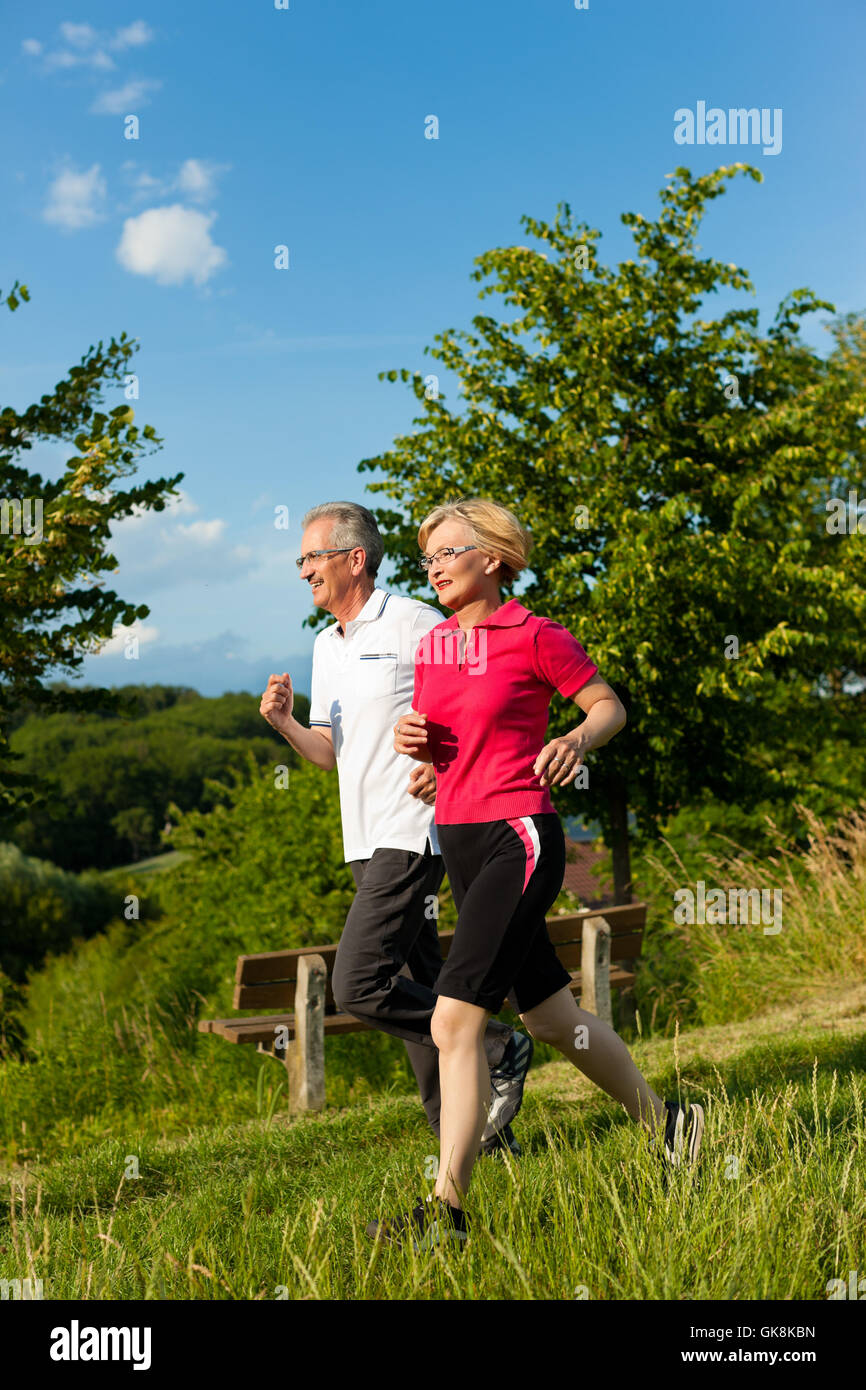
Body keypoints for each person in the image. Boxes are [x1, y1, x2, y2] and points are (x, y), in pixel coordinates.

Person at [371, 497, 704, 1250]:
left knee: (453, 1019)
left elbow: (607, 705)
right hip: (457, 838)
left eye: (447, 553)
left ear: (491, 558)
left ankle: (446, 1212)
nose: (434, 567)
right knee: (553, 1020)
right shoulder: (434, 649)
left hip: (518, 837)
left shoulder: (535, 635)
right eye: (426, 558)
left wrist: (579, 738)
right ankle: (672, 1127)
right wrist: (416, 748)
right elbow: (438, 760)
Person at [259, 501, 535, 1158]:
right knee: (424, 985)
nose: (303, 573)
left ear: (354, 559)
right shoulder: (327, 644)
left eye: (312, 558)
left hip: (412, 831)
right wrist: (287, 725)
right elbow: (332, 752)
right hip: (362, 837)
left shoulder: (414, 620)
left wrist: (448, 766)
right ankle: (480, 1141)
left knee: (357, 984)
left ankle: (498, 1045)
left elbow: (479, 698)